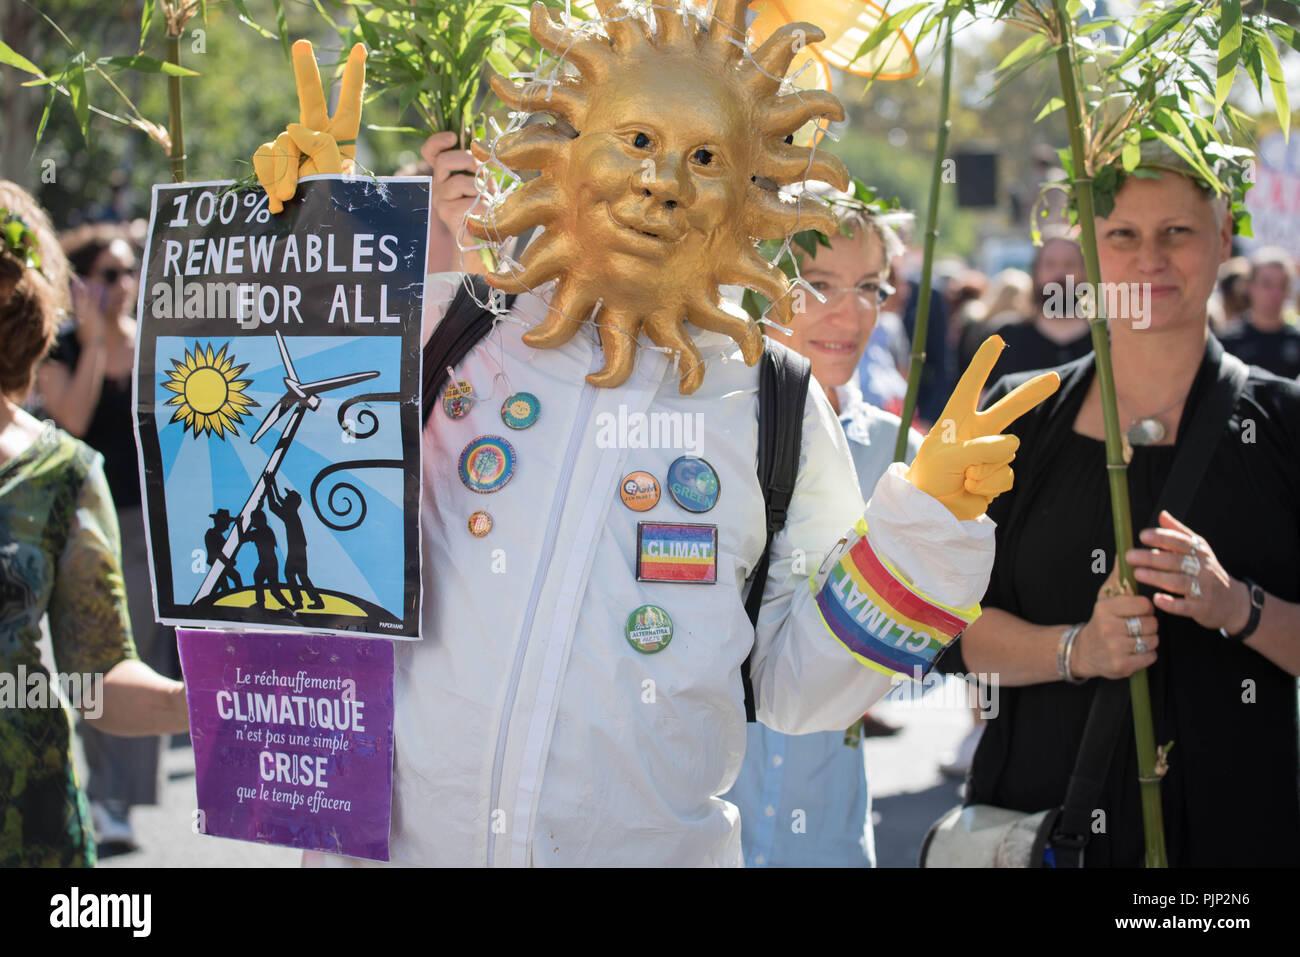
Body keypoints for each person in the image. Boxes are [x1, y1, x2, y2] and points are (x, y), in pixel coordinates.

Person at [257, 12, 1056, 866]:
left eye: (706, 157)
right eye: (636, 138)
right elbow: (262, 479)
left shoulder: (772, 405)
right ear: (564, 146)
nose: (663, 181)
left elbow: (798, 687)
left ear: (755, 191)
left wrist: (923, 529)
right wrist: (314, 252)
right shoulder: (449, 335)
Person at [936, 144, 1300, 866]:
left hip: (1237, 837)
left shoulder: (1285, 423)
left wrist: (1239, 607)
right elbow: (949, 627)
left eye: (1178, 232)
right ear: (1089, 252)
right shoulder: (1019, 413)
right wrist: (1078, 648)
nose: (1149, 260)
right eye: (1123, 236)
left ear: (1225, 236)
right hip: (1049, 827)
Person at [722, 194, 924, 867]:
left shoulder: (904, 457)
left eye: (869, 286)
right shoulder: (700, 431)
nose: (851, 311)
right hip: (702, 824)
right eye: (818, 286)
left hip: (829, 834)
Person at [0, 181, 189, 867]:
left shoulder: (59, 473)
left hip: (30, 833)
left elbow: (98, 677)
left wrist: (214, 698)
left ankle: (117, 801)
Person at [35, 221, 177, 852]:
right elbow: (72, 418)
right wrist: (93, 343)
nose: (124, 285)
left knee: (140, 653)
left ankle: (123, 797)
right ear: (82, 283)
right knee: (93, 654)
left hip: (148, 523)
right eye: (110, 274)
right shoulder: (61, 346)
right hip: (86, 521)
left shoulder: (152, 341)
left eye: (130, 272)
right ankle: (104, 794)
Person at [973, 228, 1092, 379]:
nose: (1060, 273)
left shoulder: (1105, 338)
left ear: (1084, 271)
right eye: (1050, 264)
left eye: (1069, 264)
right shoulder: (1005, 337)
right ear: (1036, 271)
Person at [1219, 246, 1300, 379]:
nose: (1275, 293)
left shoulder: (1296, 341)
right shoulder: (1228, 342)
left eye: (1282, 285)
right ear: (1249, 286)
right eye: (1267, 284)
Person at [265, 481, 324, 610]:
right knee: (301, 575)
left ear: (290, 502)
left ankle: (300, 601)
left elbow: (273, 506)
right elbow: (280, 500)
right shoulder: (291, 511)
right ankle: (315, 601)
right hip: (299, 547)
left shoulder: (289, 513)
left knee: (290, 573)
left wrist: (269, 487)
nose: (284, 499)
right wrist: (273, 485)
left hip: (296, 548)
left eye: (287, 498)